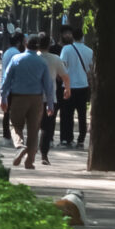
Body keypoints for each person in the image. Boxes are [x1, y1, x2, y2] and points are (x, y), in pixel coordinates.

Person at [2, 32, 54, 169]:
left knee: (15, 124)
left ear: (25, 44)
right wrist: (50, 104)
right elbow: (48, 85)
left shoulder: (16, 59)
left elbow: (6, 80)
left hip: (18, 97)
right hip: (36, 100)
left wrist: (3, 98)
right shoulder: (42, 62)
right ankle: (29, 161)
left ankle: (19, 145)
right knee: (33, 130)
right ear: (37, 48)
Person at [35, 30, 70, 163]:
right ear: (49, 45)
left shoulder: (33, 57)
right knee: (47, 127)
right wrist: (67, 89)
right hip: (50, 97)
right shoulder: (55, 59)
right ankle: (44, 154)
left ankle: (31, 152)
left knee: (33, 125)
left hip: (33, 97)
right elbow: (65, 76)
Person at [58, 25, 95, 149]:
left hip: (68, 86)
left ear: (73, 37)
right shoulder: (89, 51)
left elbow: (63, 65)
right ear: (82, 37)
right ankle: (81, 140)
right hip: (83, 85)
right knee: (82, 114)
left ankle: (66, 139)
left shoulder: (66, 49)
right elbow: (90, 70)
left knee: (67, 114)